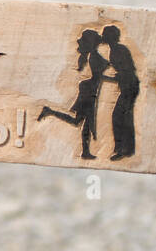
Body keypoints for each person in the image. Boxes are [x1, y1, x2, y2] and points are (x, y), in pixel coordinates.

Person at [37, 29, 108, 160]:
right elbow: (97, 75)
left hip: (89, 90)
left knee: (81, 122)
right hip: (89, 92)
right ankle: (49, 111)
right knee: (81, 122)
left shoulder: (93, 56)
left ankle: (85, 151)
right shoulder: (94, 57)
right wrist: (112, 76)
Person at [101, 25, 139, 160]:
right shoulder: (114, 50)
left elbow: (127, 70)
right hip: (127, 85)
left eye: (105, 34)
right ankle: (124, 149)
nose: (102, 36)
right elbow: (121, 73)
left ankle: (124, 149)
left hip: (129, 86)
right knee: (122, 116)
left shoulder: (118, 50)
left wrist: (107, 77)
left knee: (120, 116)